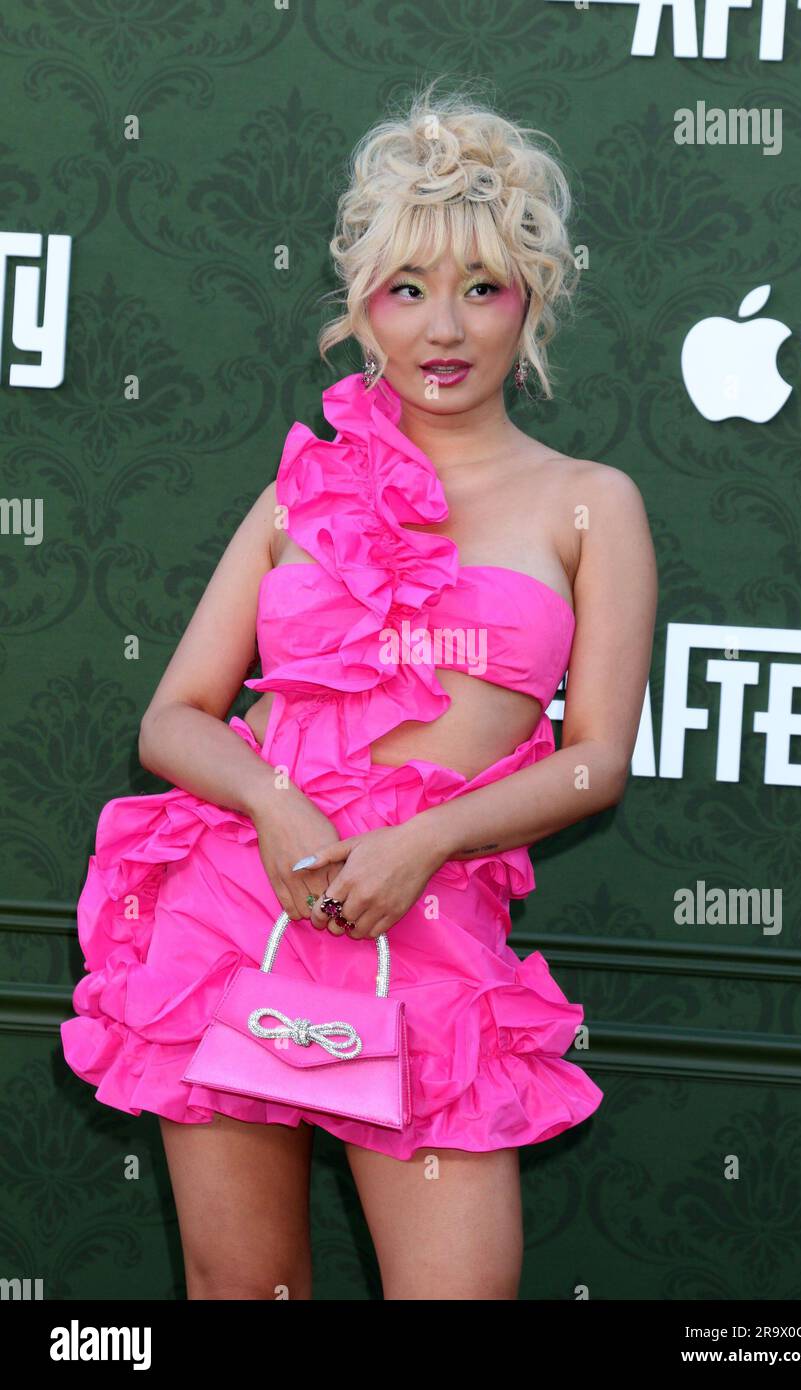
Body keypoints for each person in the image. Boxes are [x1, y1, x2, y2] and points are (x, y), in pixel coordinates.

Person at [60, 79, 657, 1301]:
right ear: (361, 309)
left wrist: (425, 841)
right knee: (244, 1294)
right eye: (406, 289)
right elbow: (172, 717)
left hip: (430, 930)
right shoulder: (299, 491)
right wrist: (275, 805)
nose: (442, 327)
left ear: (531, 300)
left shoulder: (588, 501)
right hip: (237, 909)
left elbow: (596, 757)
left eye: (480, 287)